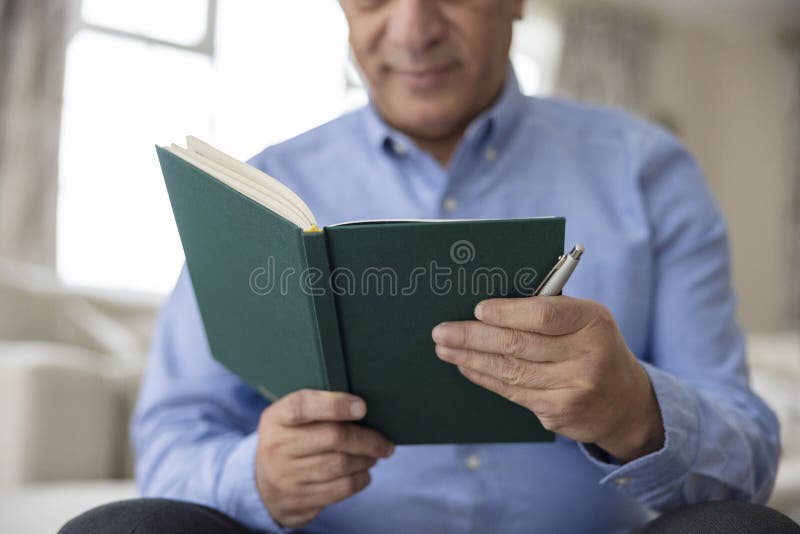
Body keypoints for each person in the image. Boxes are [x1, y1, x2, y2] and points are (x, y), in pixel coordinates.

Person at [62, 1, 795, 532]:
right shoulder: (254, 193)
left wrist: (634, 410)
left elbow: (751, 464)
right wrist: (255, 478)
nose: (411, 30)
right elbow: (170, 442)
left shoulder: (649, 173)